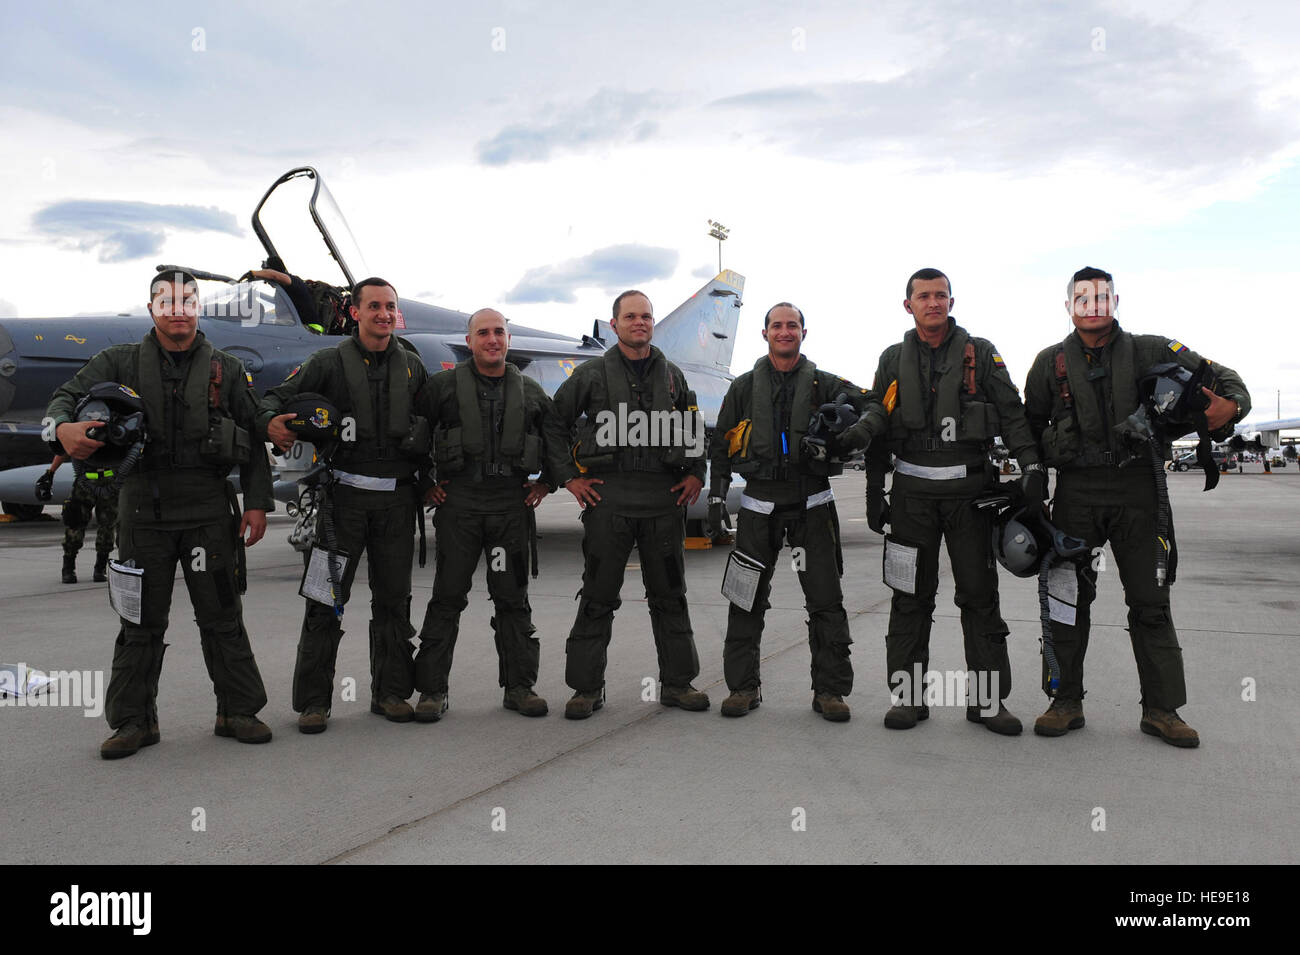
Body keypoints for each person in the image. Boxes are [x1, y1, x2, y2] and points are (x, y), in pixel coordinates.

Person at [46, 269, 275, 758]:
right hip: (143, 511)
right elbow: (65, 397)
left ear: (198, 308)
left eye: (188, 300)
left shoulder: (227, 370)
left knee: (221, 616)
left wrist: (256, 502)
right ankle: (133, 722)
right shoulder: (119, 362)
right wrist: (62, 428)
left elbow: (254, 435)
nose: (178, 309)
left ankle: (237, 710)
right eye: (166, 300)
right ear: (151, 309)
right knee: (140, 622)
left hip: (208, 510)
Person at [1023, 266, 1250, 747]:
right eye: (1082, 298)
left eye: (1102, 297)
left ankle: (1162, 710)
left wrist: (1233, 406)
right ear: (1069, 306)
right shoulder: (1049, 364)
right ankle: (1064, 700)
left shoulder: (1153, 349)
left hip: (1139, 490)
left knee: (1150, 600)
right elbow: (1028, 426)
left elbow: (1221, 377)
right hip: (1076, 493)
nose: (1093, 305)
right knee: (1066, 599)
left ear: (1115, 300)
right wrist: (1031, 480)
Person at [862, 268, 1043, 735]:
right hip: (910, 497)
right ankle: (907, 698)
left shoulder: (980, 353)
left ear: (951, 301)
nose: (933, 302)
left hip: (970, 497)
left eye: (940, 295)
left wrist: (1032, 466)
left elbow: (1012, 413)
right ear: (909, 305)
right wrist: (872, 491)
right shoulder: (891, 359)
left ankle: (987, 703)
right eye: (923, 296)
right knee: (908, 598)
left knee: (980, 599)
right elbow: (877, 425)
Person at [260, 277, 430, 733]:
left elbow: (433, 425)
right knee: (324, 601)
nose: (383, 314)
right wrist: (271, 423)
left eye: (390, 307)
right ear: (354, 312)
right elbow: (273, 400)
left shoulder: (413, 368)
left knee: (394, 602)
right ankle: (314, 703)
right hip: (341, 504)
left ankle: (391, 693)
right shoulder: (327, 362)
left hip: (397, 502)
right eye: (373, 306)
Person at [545, 289, 710, 719]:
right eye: (631, 317)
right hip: (609, 499)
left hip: (662, 499)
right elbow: (553, 422)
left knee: (670, 595)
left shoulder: (674, 377)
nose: (640, 323)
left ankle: (677, 683)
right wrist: (569, 477)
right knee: (598, 595)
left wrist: (696, 473)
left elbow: (693, 429)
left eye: (647, 317)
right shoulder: (591, 376)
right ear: (614, 323)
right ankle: (585, 689)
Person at [707, 303, 875, 721]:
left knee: (825, 599)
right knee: (744, 598)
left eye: (792, 326)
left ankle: (830, 691)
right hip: (758, 506)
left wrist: (849, 436)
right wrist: (717, 497)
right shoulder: (744, 387)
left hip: (812, 504)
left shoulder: (826, 384)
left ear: (804, 332)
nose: (785, 332)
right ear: (764, 333)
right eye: (777, 326)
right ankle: (743, 688)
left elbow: (874, 407)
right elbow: (721, 445)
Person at [412, 308, 554, 721]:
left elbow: (558, 438)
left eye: (499, 332)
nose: (492, 339)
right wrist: (425, 483)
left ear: (508, 339)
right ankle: (432, 692)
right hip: (461, 508)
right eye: (483, 333)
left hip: (509, 508)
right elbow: (412, 435)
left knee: (511, 598)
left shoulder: (529, 391)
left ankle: (520, 688)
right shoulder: (442, 388)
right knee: (447, 598)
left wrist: (546, 482)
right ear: (469, 340)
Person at [37, 454, 118, 584]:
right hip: (85, 482)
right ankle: (68, 569)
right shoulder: (82, 433)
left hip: (110, 481)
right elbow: (65, 449)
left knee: (108, 526)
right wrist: (50, 472)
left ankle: (100, 568)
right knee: (75, 522)